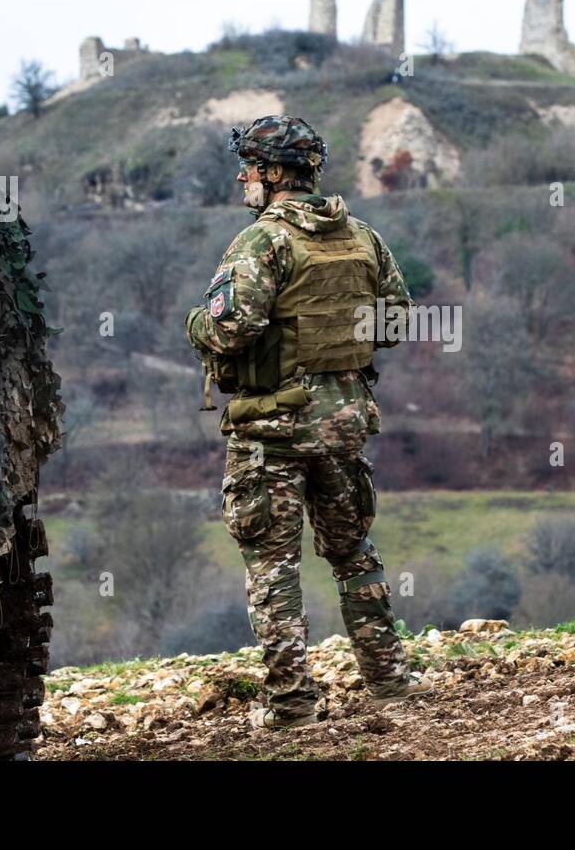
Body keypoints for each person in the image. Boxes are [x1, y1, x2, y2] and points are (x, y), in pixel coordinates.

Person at [184, 115, 432, 729]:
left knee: (273, 564)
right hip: (343, 425)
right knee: (353, 554)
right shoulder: (363, 238)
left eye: (249, 166)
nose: (242, 177)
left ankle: (293, 705)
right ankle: (389, 681)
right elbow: (397, 323)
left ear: (273, 175)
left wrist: (193, 324)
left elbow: (229, 327)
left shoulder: (261, 243)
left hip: (272, 429)